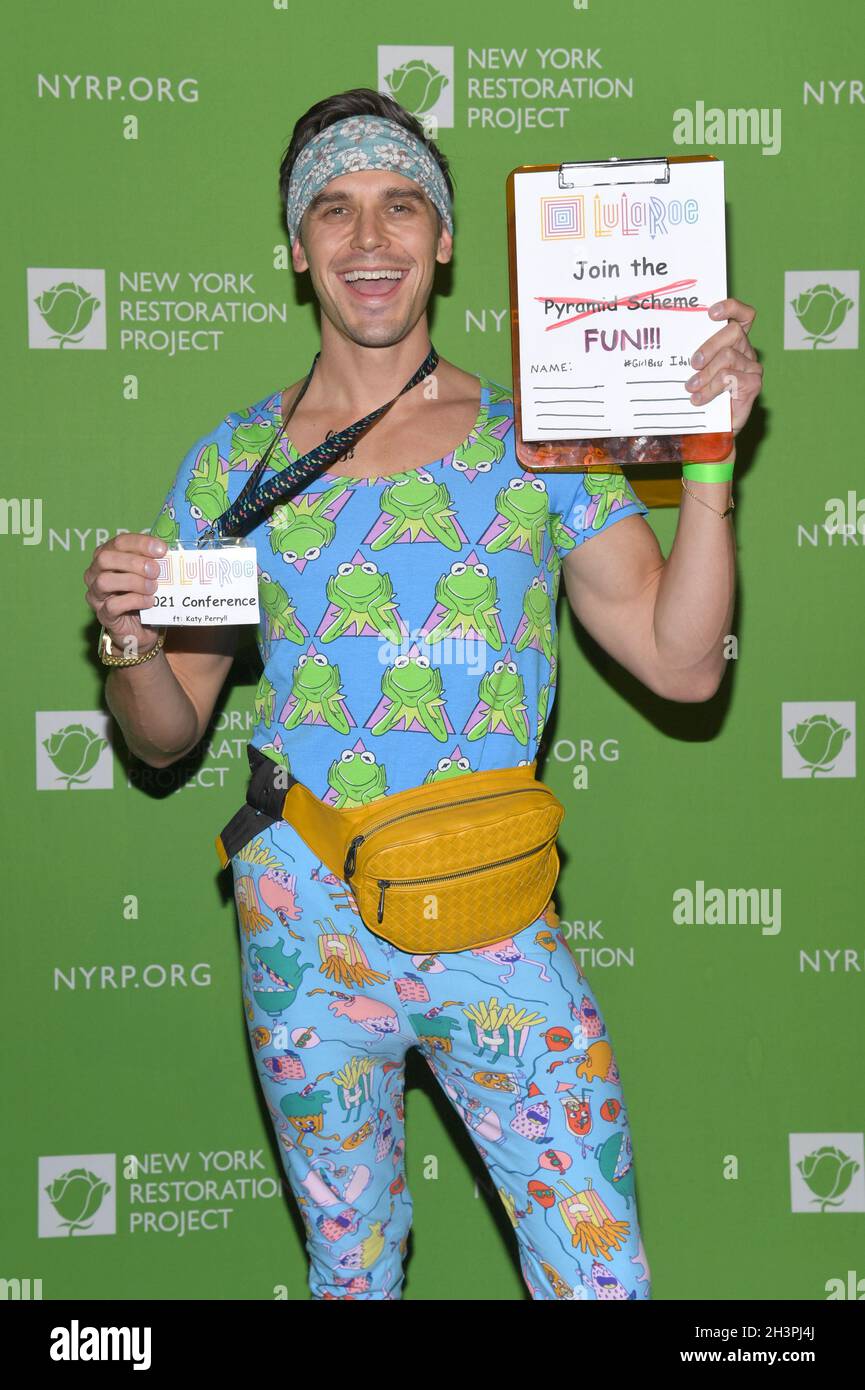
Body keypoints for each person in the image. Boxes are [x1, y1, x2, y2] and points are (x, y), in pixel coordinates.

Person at [83, 88, 763, 1301]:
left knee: (599, 1272)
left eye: (401, 206)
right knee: (351, 1271)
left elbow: (681, 662)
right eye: (333, 210)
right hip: (302, 929)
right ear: (298, 250)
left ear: (443, 239)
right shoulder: (233, 463)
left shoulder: (536, 440)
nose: (369, 239)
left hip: (490, 917)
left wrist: (708, 463)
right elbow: (166, 734)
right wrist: (130, 645)